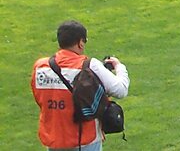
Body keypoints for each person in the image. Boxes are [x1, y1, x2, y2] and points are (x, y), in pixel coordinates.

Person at [31, 20, 130, 151]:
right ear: (80, 42)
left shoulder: (40, 66)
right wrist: (119, 66)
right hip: (84, 139)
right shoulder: (90, 66)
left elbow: (40, 99)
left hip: (53, 139)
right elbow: (121, 89)